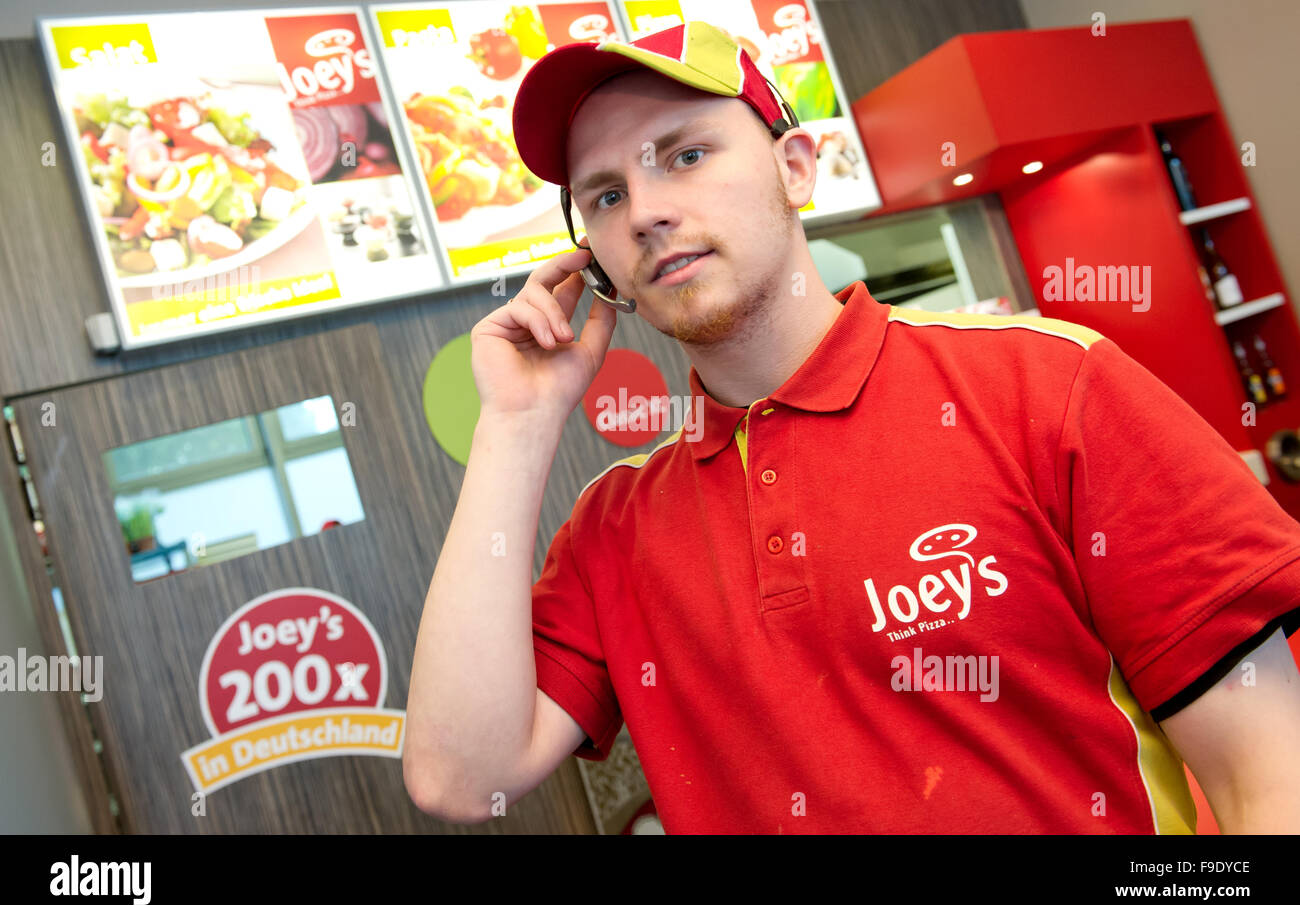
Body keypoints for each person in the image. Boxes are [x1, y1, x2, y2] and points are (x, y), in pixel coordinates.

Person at [404, 20, 1300, 834]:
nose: (643, 211)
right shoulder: (614, 531)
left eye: (682, 156)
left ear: (796, 166)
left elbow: (1270, 768)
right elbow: (456, 776)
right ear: (595, 261)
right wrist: (516, 427)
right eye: (603, 196)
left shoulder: (1049, 382)